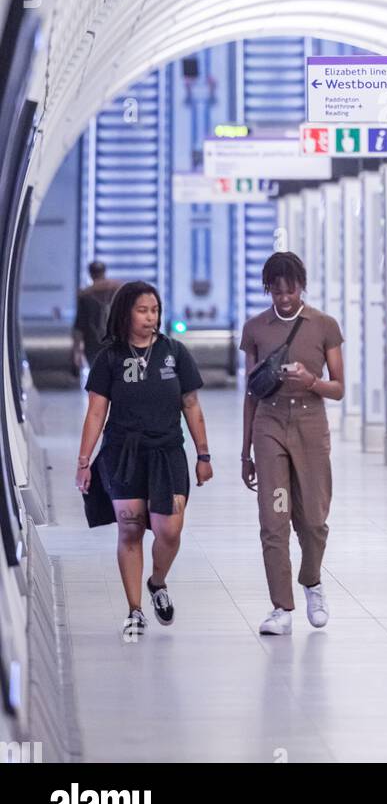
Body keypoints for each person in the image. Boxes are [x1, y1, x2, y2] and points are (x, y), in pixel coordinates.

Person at [74, 281, 212, 637]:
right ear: (126, 313)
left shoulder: (174, 353)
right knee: (130, 530)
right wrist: (84, 461)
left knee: (169, 529)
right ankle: (135, 610)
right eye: (142, 310)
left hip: (168, 453)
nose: (150, 317)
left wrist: (203, 454)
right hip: (124, 455)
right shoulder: (109, 358)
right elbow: (95, 414)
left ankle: (157, 581)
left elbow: (192, 406)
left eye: (154, 310)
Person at [240, 251, 344, 636]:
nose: (284, 298)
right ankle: (281, 606)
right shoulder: (255, 329)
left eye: (291, 290)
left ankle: (312, 581)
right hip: (269, 427)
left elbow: (339, 388)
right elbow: (250, 393)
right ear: (268, 289)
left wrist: (310, 381)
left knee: (314, 520)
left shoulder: (324, 326)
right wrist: (245, 450)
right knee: (274, 520)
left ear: (302, 286)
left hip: (311, 426)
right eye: (276, 291)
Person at [72, 260, 122, 372]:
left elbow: (79, 326)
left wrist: (76, 351)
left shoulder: (85, 295)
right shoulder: (119, 290)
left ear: (90, 274)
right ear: (104, 272)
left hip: (93, 346)